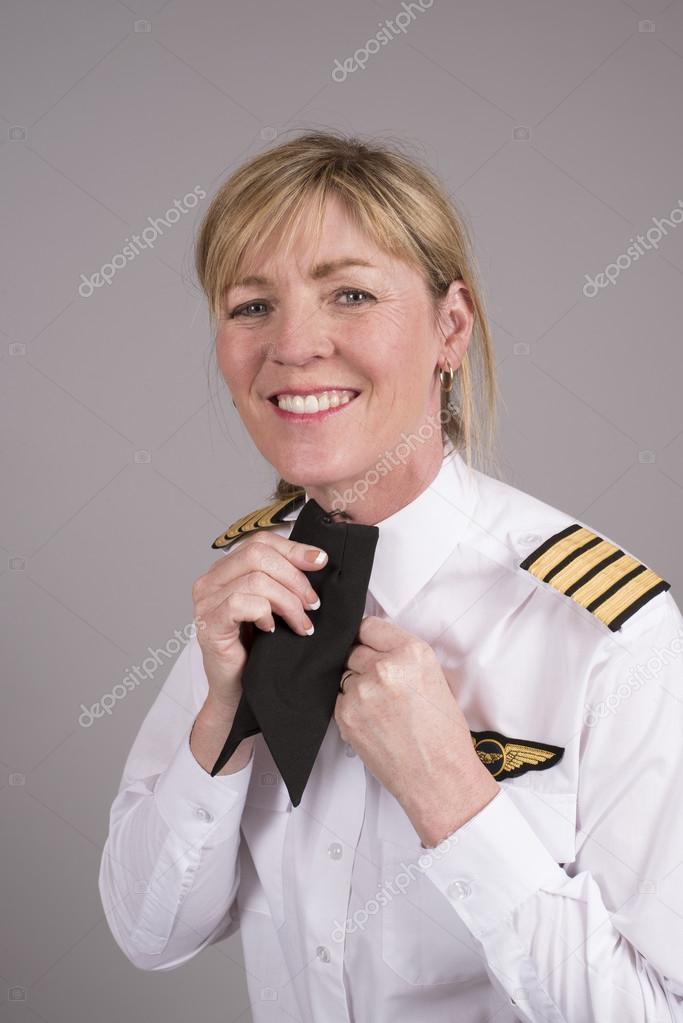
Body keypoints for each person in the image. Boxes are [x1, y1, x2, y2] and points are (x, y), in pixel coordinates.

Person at [98, 131, 683, 1022]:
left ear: (450, 327)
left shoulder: (602, 628)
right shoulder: (246, 591)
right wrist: (223, 711)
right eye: (251, 305)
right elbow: (151, 934)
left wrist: (452, 794)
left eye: (352, 294)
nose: (292, 346)